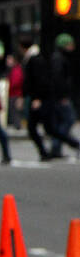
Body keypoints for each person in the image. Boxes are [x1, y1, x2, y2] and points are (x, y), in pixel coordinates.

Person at [47, 33, 80, 161]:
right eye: (69, 44)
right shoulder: (59, 59)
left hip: (59, 96)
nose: (72, 47)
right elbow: (58, 79)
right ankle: (63, 144)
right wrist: (62, 95)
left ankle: (57, 147)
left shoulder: (59, 58)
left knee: (62, 121)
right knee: (68, 120)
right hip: (60, 96)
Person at [5, 53, 25, 130]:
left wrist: (8, 85)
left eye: (9, 60)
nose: (7, 61)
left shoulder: (16, 69)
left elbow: (16, 82)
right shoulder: (12, 70)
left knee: (15, 110)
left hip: (15, 93)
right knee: (13, 110)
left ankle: (17, 125)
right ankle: (16, 125)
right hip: (12, 93)